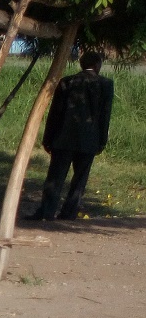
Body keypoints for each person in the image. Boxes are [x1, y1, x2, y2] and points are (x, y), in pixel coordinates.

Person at [32, 50, 114, 221]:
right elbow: (104, 115)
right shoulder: (105, 84)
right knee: (80, 178)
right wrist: (102, 140)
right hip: (89, 139)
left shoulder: (67, 82)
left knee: (55, 176)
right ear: (97, 65)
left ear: (81, 64)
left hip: (63, 137)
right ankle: (69, 212)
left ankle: (47, 211)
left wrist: (48, 138)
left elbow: (55, 113)